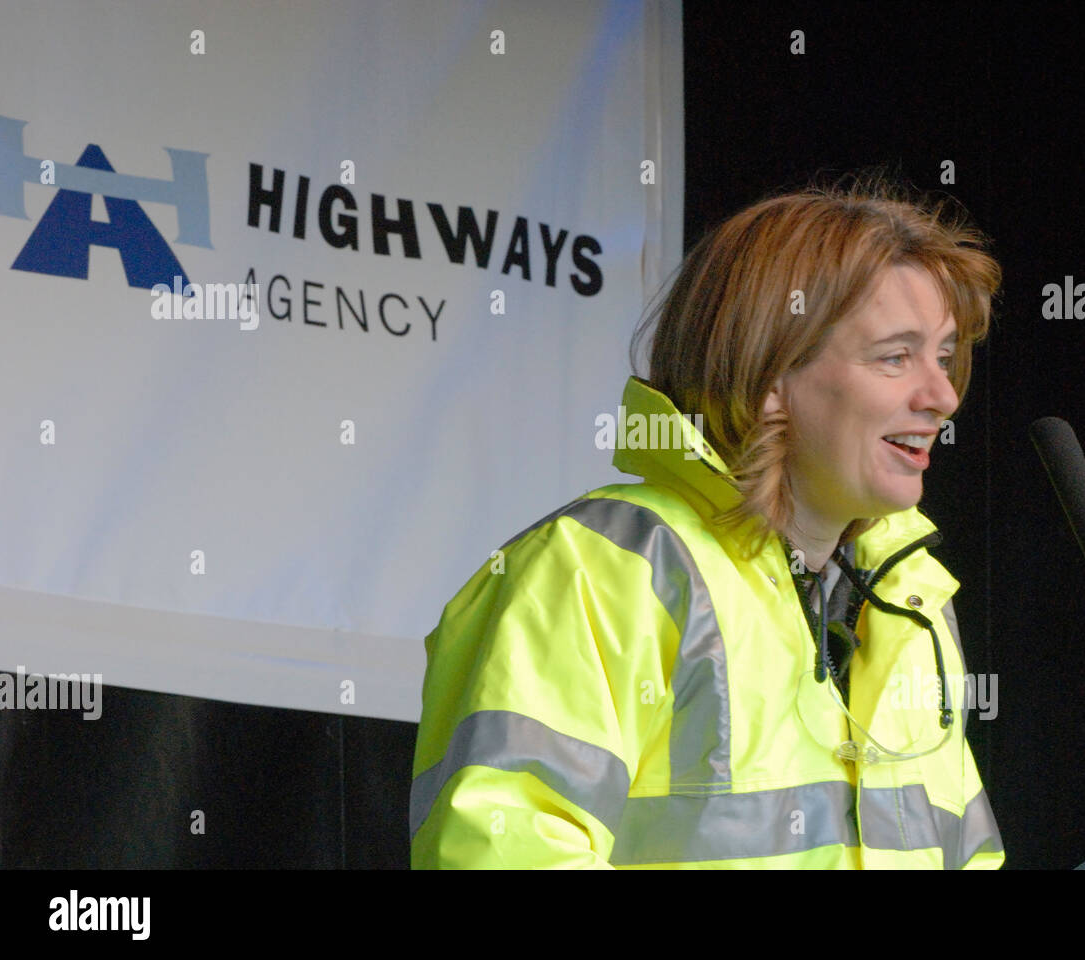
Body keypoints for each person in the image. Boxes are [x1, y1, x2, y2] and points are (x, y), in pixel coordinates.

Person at [410, 176, 1005, 868]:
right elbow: (502, 856)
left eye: (941, 357)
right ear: (771, 376)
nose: (942, 396)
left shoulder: (913, 603)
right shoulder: (602, 570)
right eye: (896, 357)